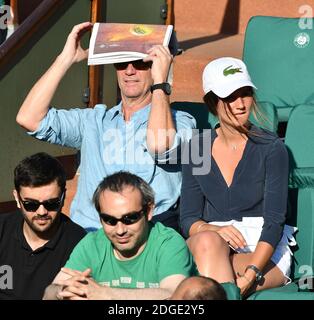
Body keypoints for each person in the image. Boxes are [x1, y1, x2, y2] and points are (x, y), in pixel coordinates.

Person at [16, 22, 196, 232]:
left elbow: (160, 146)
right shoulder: (94, 120)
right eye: (121, 62)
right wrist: (65, 60)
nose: (129, 70)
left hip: (146, 236)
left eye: (141, 62)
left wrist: (160, 83)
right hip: (90, 235)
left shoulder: (180, 121)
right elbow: (29, 118)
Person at [180, 57, 296, 297]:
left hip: (263, 250)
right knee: (207, 244)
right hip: (209, 244)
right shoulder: (198, 148)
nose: (241, 104)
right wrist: (211, 229)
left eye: (245, 93)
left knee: (210, 283)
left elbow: (274, 222)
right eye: (231, 97)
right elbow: (189, 218)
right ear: (212, 103)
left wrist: (251, 274)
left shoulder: (272, 148)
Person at [43, 171, 195, 300]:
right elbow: (49, 292)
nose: (120, 230)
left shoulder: (168, 242)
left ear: (149, 211)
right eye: (109, 220)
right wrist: (62, 291)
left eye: (130, 218)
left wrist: (104, 293)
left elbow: (174, 295)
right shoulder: (92, 244)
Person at [0, 152, 86, 299]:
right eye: (31, 204)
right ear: (16, 198)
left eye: (51, 203)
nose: (42, 212)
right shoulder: (2, 229)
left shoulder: (80, 245)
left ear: (63, 196)